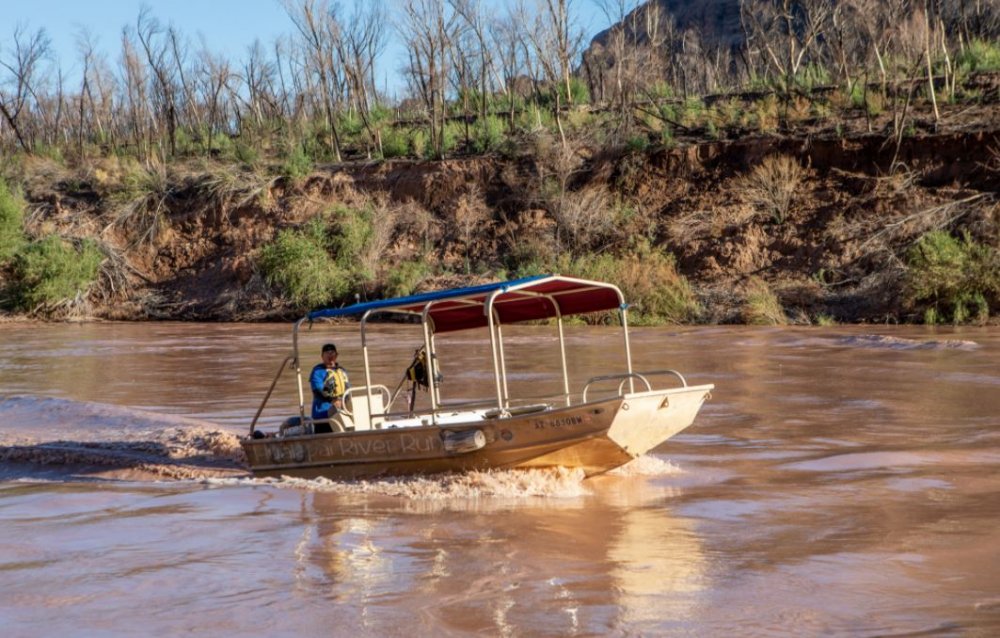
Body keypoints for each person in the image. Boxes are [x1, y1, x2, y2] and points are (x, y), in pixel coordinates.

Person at [310, 343, 350, 432]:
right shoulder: (317, 372)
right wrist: (333, 400)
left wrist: (345, 402)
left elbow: (348, 390)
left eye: (332, 353)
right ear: (322, 356)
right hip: (323, 415)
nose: (330, 355)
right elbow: (318, 390)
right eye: (327, 353)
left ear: (336, 355)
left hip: (341, 413)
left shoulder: (342, 371)